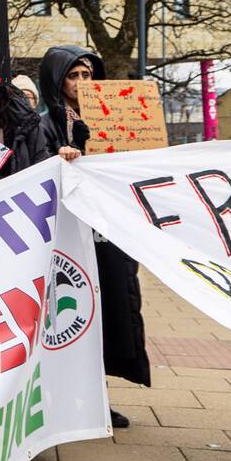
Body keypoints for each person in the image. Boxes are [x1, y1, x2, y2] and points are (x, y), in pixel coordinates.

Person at [40, 45, 152, 427]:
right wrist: (59, 157)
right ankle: (62, 399)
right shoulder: (43, 124)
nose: (81, 83)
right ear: (58, 79)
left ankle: (98, 396)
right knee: (72, 312)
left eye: (88, 75)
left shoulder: (113, 119)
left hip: (108, 230)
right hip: (66, 235)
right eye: (73, 75)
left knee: (109, 310)